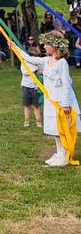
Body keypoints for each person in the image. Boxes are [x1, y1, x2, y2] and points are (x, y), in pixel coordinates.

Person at [10, 32, 80, 167]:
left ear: (54, 46)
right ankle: (59, 153)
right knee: (55, 129)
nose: (44, 46)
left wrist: (65, 104)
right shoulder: (46, 61)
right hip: (51, 100)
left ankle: (65, 154)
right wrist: (14, 47)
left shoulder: (62, 63)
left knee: (63, 129)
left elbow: (66, 84)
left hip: (61, 101)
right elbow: (30, 59)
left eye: (47, 44)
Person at [19, 43, 43, 128]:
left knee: (36, 105)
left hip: (36, 87)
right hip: (26, 86)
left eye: (36, 57)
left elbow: (42, 71)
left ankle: (38, 121)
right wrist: (34, 69)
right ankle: (27, 120)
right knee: (27, 105)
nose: (34, 58)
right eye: (32, 56)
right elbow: (25, 72)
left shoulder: (39, 63)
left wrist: (40, 71)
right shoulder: (24, 62)